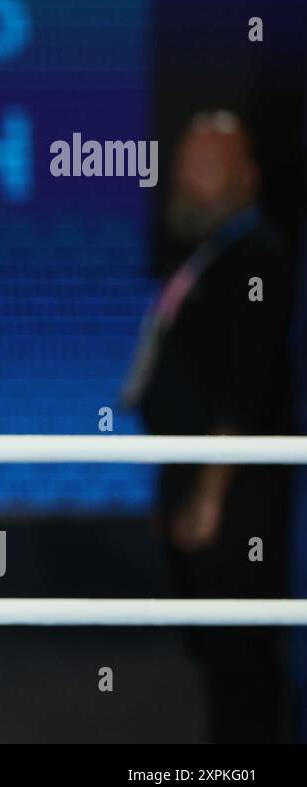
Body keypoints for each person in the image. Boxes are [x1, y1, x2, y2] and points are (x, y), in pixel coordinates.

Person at [121, 110, 294, 743]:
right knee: (218, 655)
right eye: (184, 168)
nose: (187, 184)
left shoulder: (258, 259)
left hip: (237, 501)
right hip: (194, 483)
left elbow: (244, 393)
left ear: (246, 178)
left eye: (206, 170)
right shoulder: (213, 255)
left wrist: (208, 496)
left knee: (241, 656)